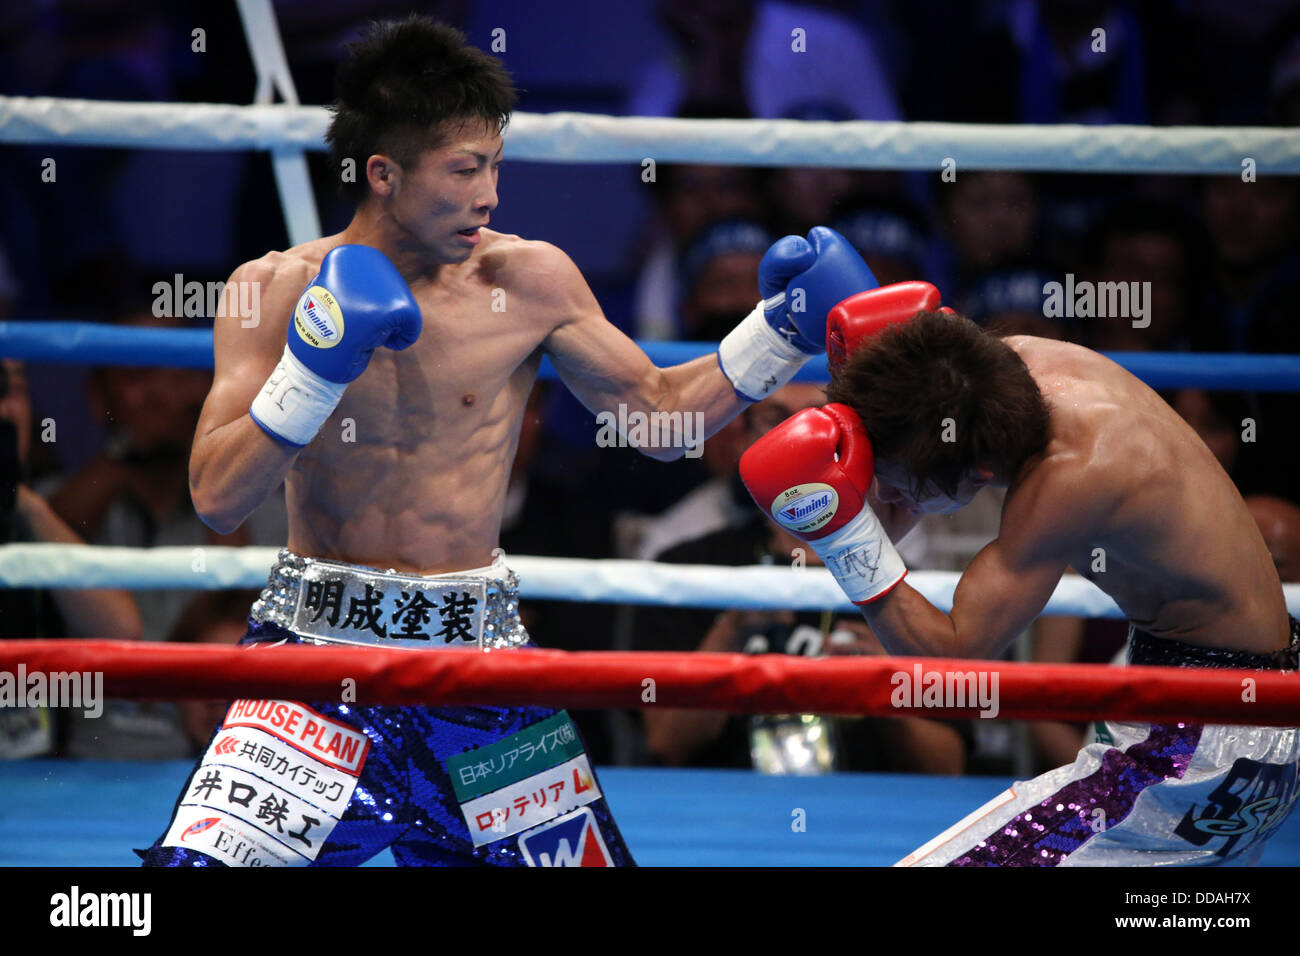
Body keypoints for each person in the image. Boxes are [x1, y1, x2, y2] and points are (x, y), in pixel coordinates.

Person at [138, 16, 878, 867]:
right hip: (318, 663)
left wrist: (778, 331)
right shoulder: (268, 290)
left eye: (495, 163)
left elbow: (661, 420)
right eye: (464, 169)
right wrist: (313, 369)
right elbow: (216, 496)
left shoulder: (526, 280)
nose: (490, 194)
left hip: (479, 663)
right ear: (382, 173)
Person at [742, 281, 1299, 866]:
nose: (886, 497)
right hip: (1213, 704)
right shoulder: (1005, 369)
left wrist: (841, 533)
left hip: (1212, 733)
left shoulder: (1073, 473)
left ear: (979, 472)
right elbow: (920, 424)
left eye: (897, 486)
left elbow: (950, 654)